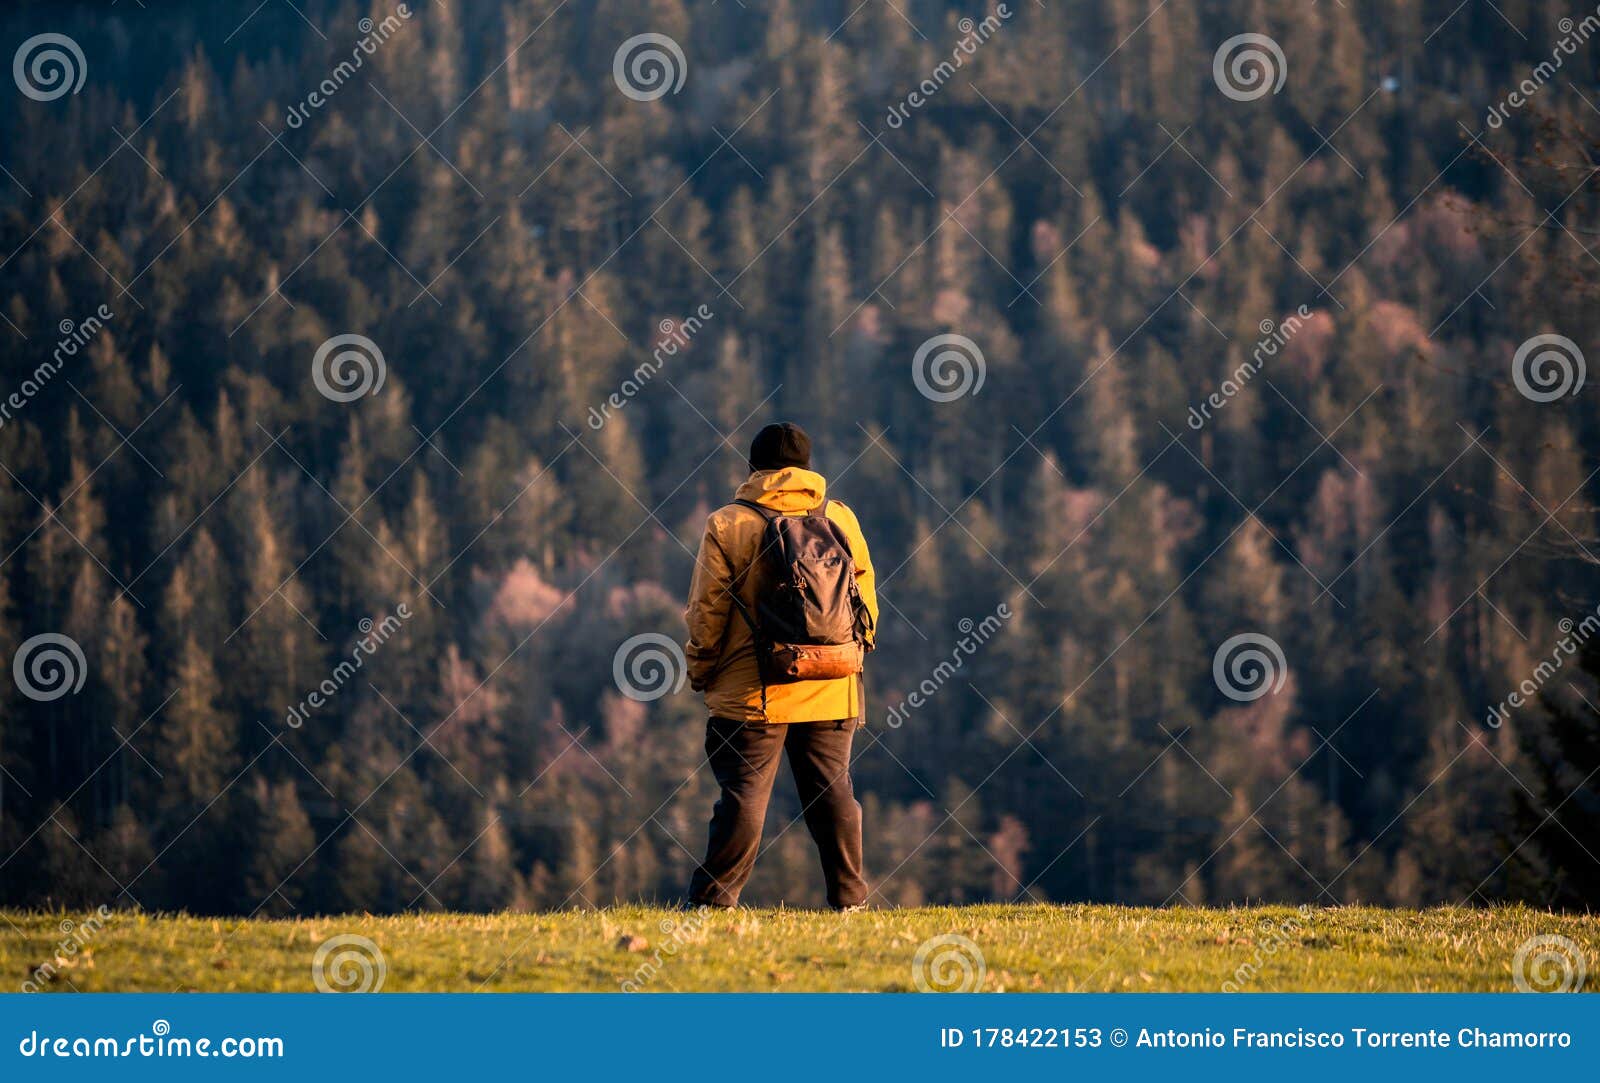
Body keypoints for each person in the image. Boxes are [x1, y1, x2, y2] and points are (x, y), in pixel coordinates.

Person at [682, 422, 878, 910]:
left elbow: (708, 609)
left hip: (754, 690)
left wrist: (700, 669)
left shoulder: (729, 523)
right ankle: (850, 900)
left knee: (745, 797)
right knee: (833, 792)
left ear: (755, 468)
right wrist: (856, 653)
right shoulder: (840, 516)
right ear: (806, 469)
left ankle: (712, 903)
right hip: (833, 680)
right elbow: (864, 595)